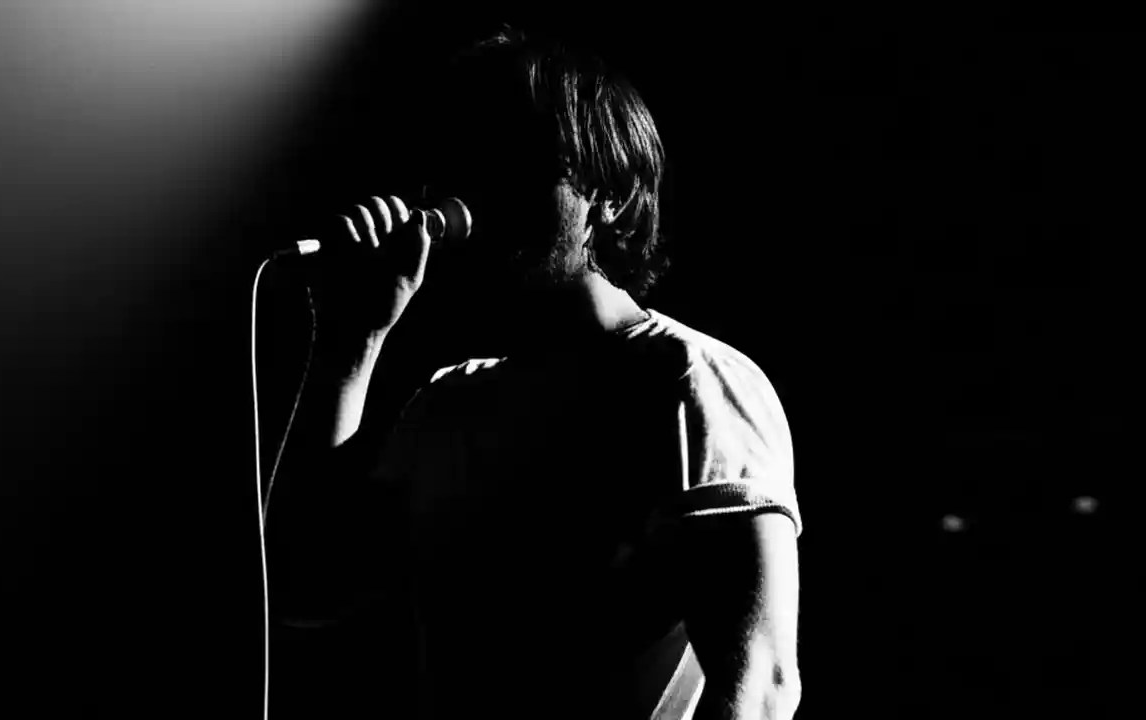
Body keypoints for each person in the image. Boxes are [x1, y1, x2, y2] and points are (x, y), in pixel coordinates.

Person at [263, 28, 803, 720]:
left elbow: (760, 687)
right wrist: (352, 343)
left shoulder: (688, 382)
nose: (480, 192)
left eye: (514, 159)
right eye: (464, 160)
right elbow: (308, 584)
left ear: (607, 195)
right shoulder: (449, 402)